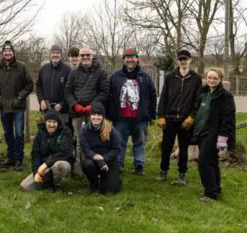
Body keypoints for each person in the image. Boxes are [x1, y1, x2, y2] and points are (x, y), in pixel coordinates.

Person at [107, 48, 157, 176]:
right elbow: (107, 95)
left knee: (139, 143)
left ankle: (139, 166)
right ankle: (118, 165)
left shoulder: (144, 76)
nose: (130, 60)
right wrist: (107, 114)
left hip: (139, 118)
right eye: (127, 58)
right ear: (124, 60)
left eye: (132, 57)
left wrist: (152, 116)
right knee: (119, 143)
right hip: (120, 118)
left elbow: (152, 95)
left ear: (137, 59)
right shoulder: (115, 77)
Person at [156, 50, 202, 185]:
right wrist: (161, 115)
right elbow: (163, 96)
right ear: (177, 60)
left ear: (190, 60)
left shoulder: (196, 78)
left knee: (183, 147)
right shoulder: (170, 76)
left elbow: (197, 100)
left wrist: (192, 116)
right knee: (166, 146)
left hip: (185, 119)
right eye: (181, 59)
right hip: (170, 118)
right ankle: (163, 172)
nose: (183, 61)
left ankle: (182, 175)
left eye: (185, 59)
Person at [64, 47, 109, 180]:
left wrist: (92, 106)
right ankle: (79, 171)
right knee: (79, 142)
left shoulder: (100, 73)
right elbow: (67, 92)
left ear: (92, 55)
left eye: (87, 55)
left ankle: (96, 170)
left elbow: (104, 92)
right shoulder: (73, 73)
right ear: (79, 56)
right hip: (77, 113)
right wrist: (74, 104)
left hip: (93, 114)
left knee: (95, 141)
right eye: (82, 55)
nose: (85, 57)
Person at [193, 68, 235, 202]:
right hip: (201, 132)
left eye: (215, 78)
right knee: (212, 162)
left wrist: (222, 139)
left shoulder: (225, 96)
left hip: (213, 135)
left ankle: (210, 193)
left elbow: (228, 119)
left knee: (204, 163)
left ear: (220, 80)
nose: (211, 80)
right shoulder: (203, 91)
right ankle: (216, 189)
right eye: (209, 77)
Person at [0, 40, 34, 171]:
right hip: (4, 106)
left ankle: (19, 159)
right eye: (5, 51)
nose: (7, 53)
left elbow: (29, 85)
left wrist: (19, 97)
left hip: (17, 106)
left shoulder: (22, 67)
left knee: (18, 134)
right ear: (2, 54)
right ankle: (10, 157)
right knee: (8, 133)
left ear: (13, 53)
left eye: (9, 51)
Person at [20, 110, 74, 191]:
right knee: (25, 187)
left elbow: (65, 152)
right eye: (49, 121)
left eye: (54, 122)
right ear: (45, 122)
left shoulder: (66, 131)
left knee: (60, 165)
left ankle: (57, 185)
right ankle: (49, 181)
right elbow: (35, 154)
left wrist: (45, 165)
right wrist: (36, 173)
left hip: (62, 163)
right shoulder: (40, 133)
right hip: (44, 167)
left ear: (58, 122)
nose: (51, 125)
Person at [80, 103, 121, 194]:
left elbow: (116, 148)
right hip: (93, 160)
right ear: (90, 116)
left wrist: (105, 159)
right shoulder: (84, 130)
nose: (96, 117)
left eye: (99, 115)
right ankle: (94, 183)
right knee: (87, 164)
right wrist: (100, 162)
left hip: (109, 161)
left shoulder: (111, 129)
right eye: (94, 114)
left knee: (111, 191)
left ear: (103, 116)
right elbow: (86, 150)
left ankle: (111, 178)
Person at [36, 44, 71, 120]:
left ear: (61, 55)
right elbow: (39, 86)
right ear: (50, 54)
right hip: (46, 109)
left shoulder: (67, 69)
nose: (55, 55)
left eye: (58, 53)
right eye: (53, 53)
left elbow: (70, 90)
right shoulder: (43, 69)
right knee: (46, 130)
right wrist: (41, 101)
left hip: (62, 110)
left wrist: (62, 104)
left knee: (62, 130)